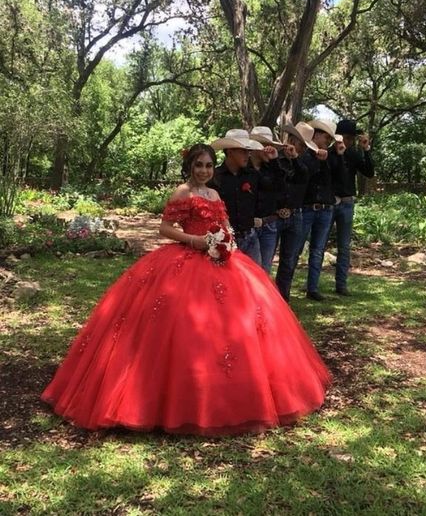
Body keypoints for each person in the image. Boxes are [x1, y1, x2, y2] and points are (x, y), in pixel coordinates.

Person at [41, 144, 331, 436]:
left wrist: (225, 240)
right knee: (177, 327)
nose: (203, 171)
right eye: (199, 165)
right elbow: (165, 228)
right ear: (190, 167)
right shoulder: (183, 193)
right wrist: (195, 240)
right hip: (185, 259)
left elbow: (223, 224)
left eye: (207, 165)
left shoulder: (215, 193)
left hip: (221, 260)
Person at [298, 120, 345, 302]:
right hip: (307, 208)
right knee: (295, 248)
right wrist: (317, 160)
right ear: (316, 136)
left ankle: (313, 288)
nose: (328, 142)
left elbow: (341, 178)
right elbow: (304, 176)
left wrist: (338, 156)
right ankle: (283, 289)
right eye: (326, 137)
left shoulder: (332, 156)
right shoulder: (305, 156)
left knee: (318, 250)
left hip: (326, 209)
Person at [329, 119, 374, 296]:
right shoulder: (329, 153)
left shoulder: (354, 154)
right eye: (347, 137)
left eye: (352, 138)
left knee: (344, 246)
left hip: (347, 203)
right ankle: (312, 285)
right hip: (330, 202)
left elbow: (369, 173)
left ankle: (341, 284)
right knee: (319, 244)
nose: (349, 141)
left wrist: (366, 150)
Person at [272, 121, 314, 302]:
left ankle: (283, 299)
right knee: (266, 260)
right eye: (300, 144)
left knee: (288, 261)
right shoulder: (275, 159)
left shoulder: (303, 163)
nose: (302, 149)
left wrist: (296, 158)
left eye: (305, 146)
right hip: (274, 216)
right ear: (290, 140)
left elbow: (303, 176)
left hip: (296, 215)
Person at [210, 129, 264, 265]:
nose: (247, 155)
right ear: (230, 151)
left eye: (248, 151)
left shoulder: (253, 175)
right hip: (225, 240)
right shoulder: (215, 177)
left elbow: (274, 190)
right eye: (243, 151)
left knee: (255, 280)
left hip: (250, 236)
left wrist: (273, 161)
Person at [248, 126, 286, 273]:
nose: (268, 149)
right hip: (249, 226)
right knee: (251, 270)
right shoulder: (244, 168)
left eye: (270, 146)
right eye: (264, 145)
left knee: (265, 269)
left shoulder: (273, 168)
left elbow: (282, 190)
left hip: (269, 224)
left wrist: (275, 161)